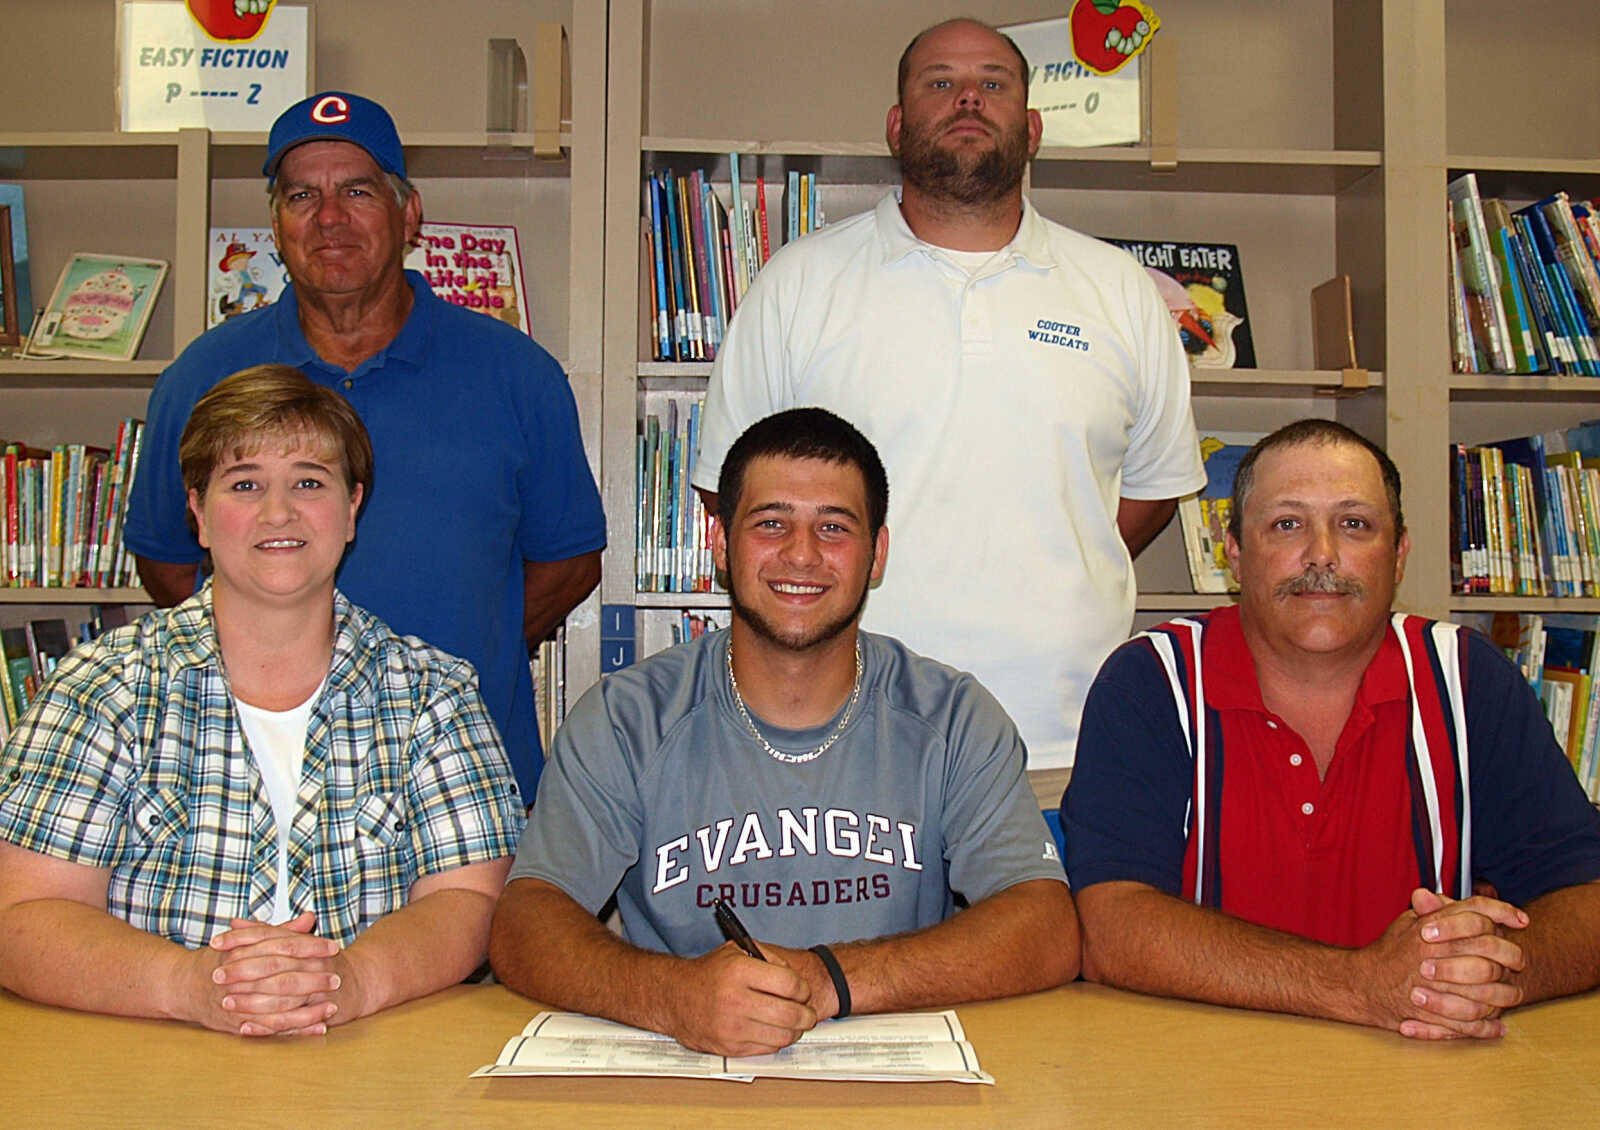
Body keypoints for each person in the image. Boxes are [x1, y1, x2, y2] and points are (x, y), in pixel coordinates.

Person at [690, 19, 1205, 770]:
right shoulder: (798, 286)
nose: (967, 98)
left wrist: (1053, 555)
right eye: (940, 83)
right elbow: (738, 498)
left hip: (1062, 745)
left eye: (993, 83)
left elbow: (1153, 489)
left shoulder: (1120, 292)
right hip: (851, 748)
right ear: (897, 126)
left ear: (1031, 129)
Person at [491, 408, 1078, 1056]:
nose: (802, 554)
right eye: (772, 523)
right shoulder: (627, 720)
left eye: (834, 527)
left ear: (876, 554)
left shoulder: (953, 718)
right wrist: (673, 996)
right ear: (720, 545)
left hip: (896, 1076)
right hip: (683, 1071)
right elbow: (525, 922)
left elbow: (1045, 925)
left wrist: (830, 979)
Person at [0, 366, 525, 1037]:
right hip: (146, 1060)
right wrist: (195, 986)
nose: (279, 512)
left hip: (376, 1061)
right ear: (197, 513)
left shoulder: (434, 695)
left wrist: (351, 981)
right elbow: (25, 914)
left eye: (309, 481)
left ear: (352, 508)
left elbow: (471, 901)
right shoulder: (102, 686)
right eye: (244, 484)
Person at [122, 91, 605, 800]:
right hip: (252, 787)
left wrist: (474, 649)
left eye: (357, 190)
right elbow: (165, 560)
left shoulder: (516, 374)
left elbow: (569, 562)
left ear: (409, 214)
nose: (329, 219)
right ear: (276, 224)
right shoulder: (202, 376)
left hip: (466, 780)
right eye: (300, 196)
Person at [1064, 419, 1600, 1040]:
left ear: (1398, 553)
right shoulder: (1152, 680)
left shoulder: (1468, 679)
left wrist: (1492, 971)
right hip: (1201, 1068)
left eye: (1355, 524)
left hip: (1421, 1071)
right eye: (1287, 524)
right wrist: (1359, 985)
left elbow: (1584, 895)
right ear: (1234, 551)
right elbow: (1111, 928)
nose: (1321, 554)